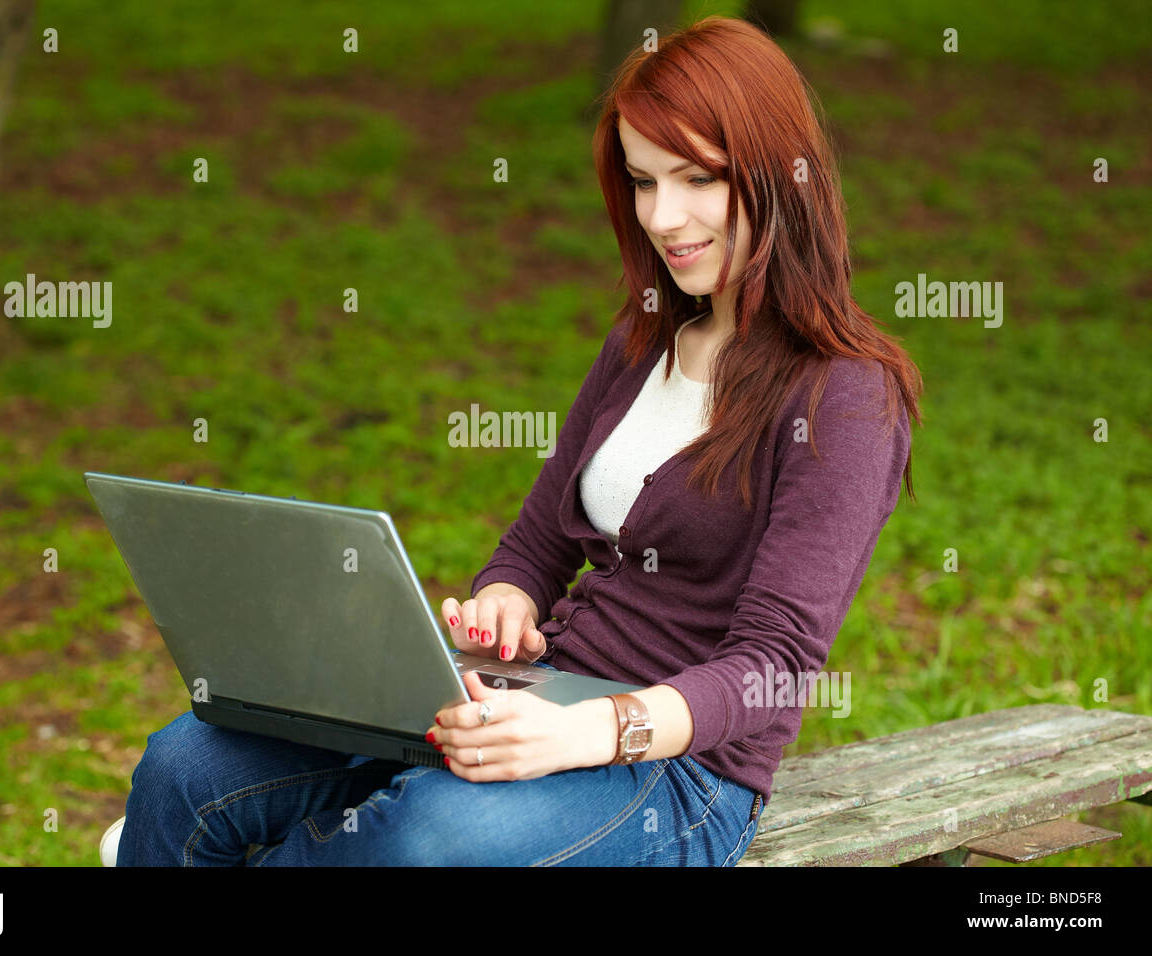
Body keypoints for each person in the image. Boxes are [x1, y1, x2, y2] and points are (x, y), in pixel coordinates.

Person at [115, 14, 922, 866]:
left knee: (422, 838)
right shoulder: (643, 342)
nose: (664, 216)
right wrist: (508, 601)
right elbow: (535, 545)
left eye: (697, 179)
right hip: (538, 693)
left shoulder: (846, 394)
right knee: (185, 765)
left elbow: (776, 664)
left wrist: (592, 733)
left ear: (778, 174)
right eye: (644, 182)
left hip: (679, 775)